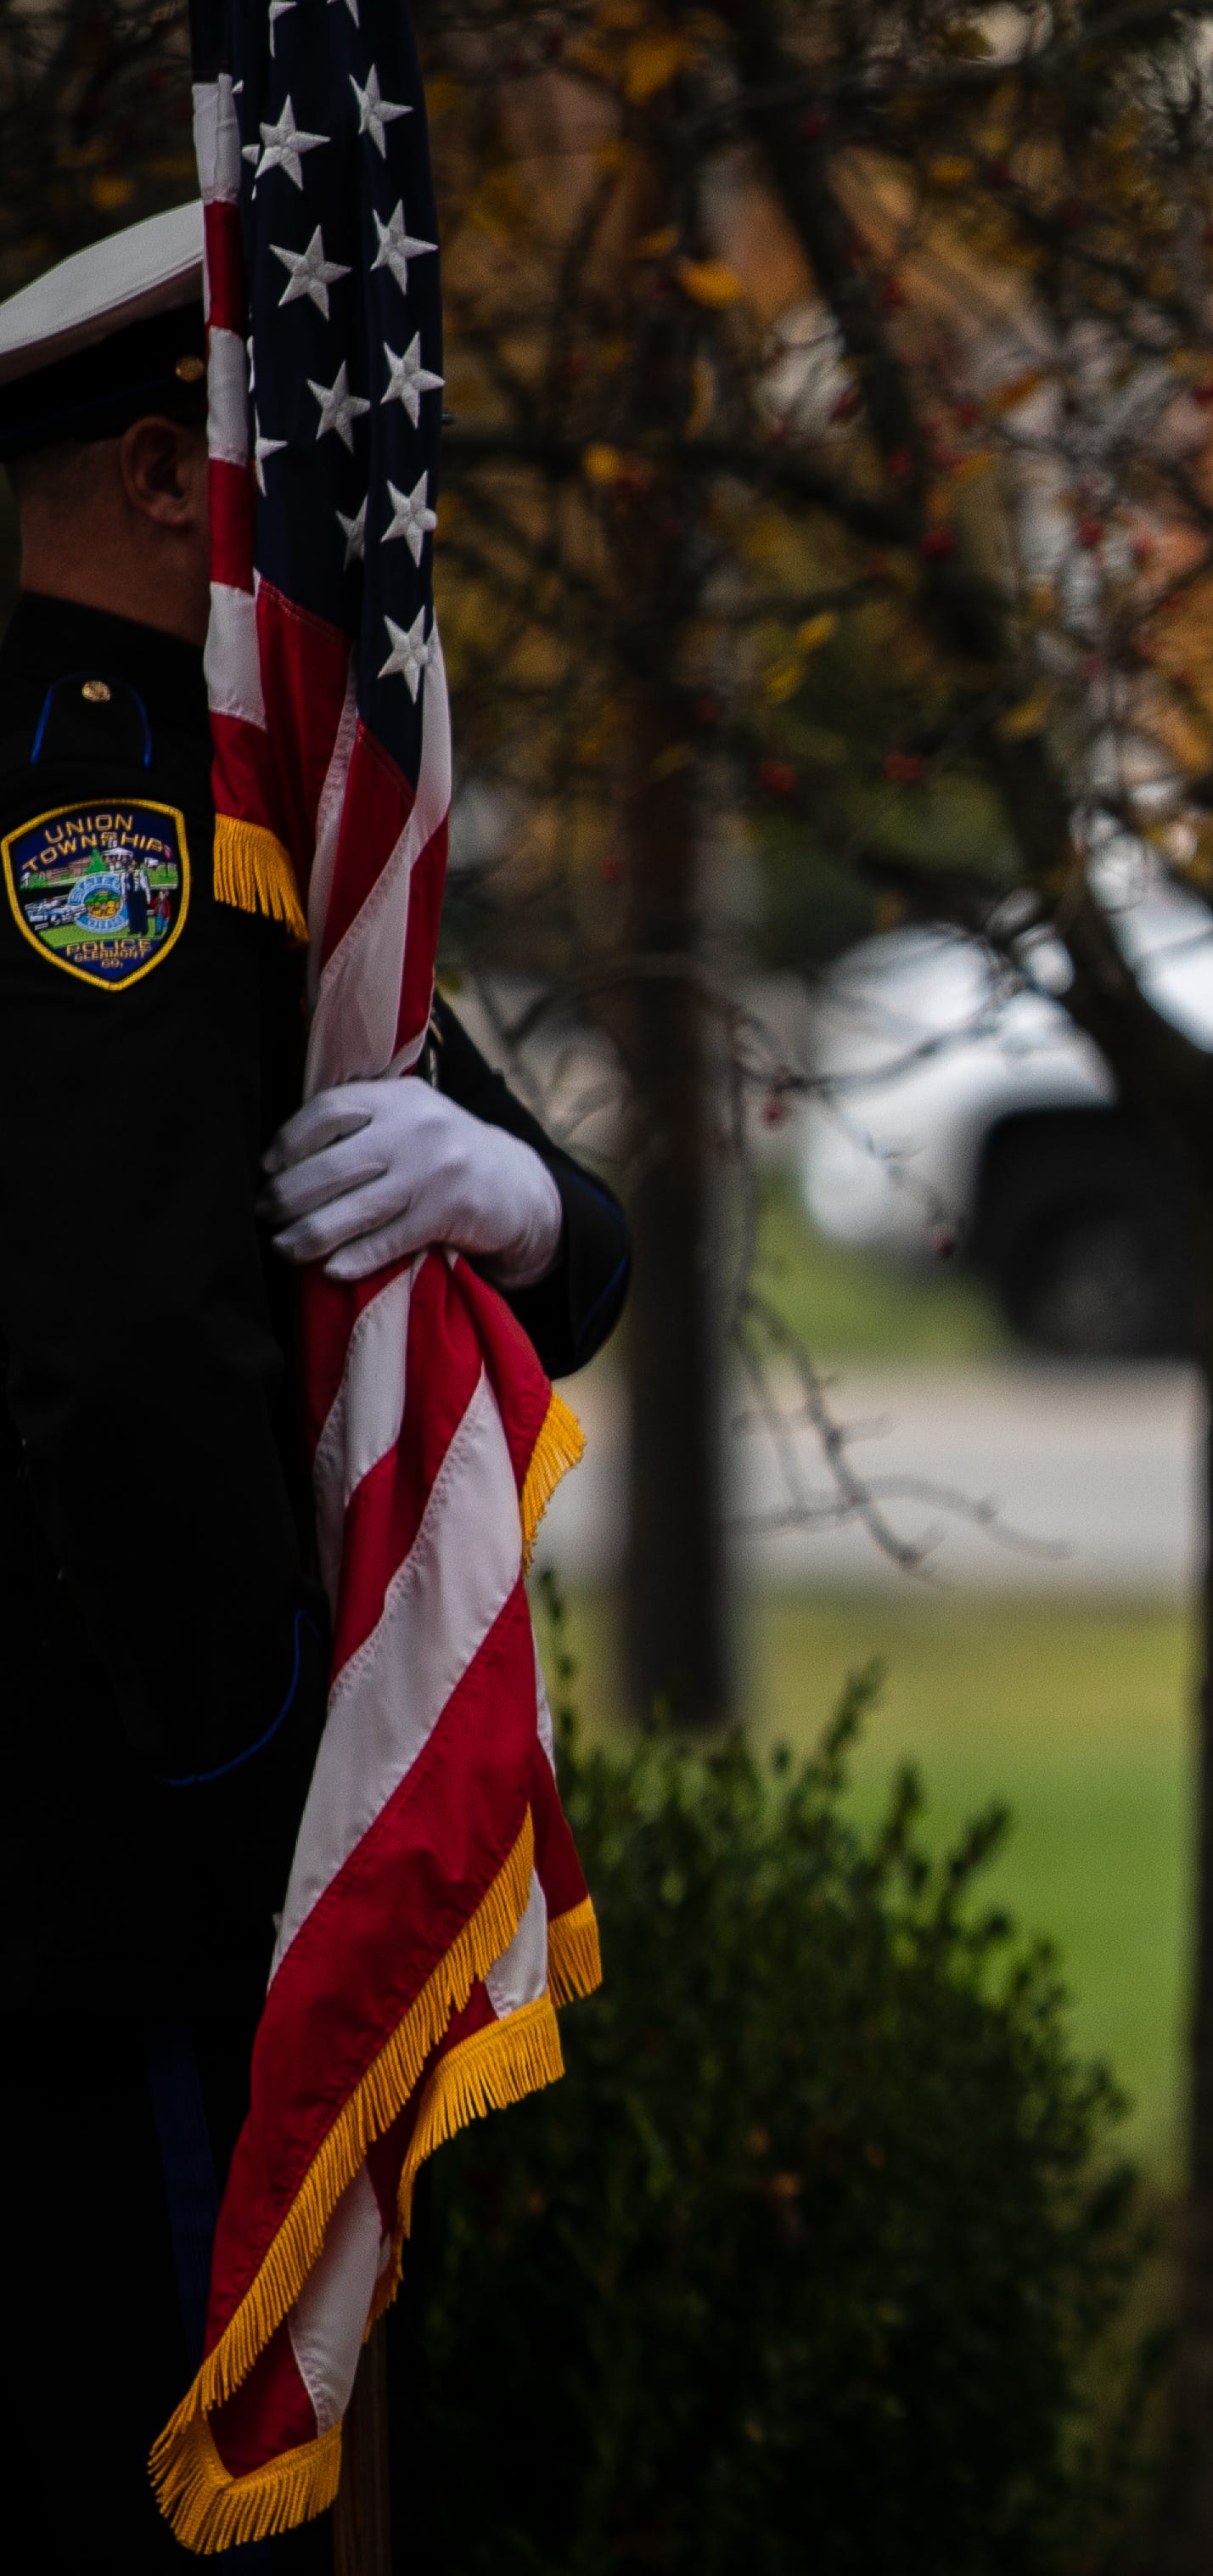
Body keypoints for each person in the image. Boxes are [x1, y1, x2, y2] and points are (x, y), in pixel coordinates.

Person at [0, 207, 631, 2565]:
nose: (377, 515)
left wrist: (525, 1201)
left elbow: (571, 1261)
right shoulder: (110, 841)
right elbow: (129, 1366)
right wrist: (271, 1747)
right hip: (127, 1870)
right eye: (321, 454)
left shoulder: (254, 811)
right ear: (179, 478)